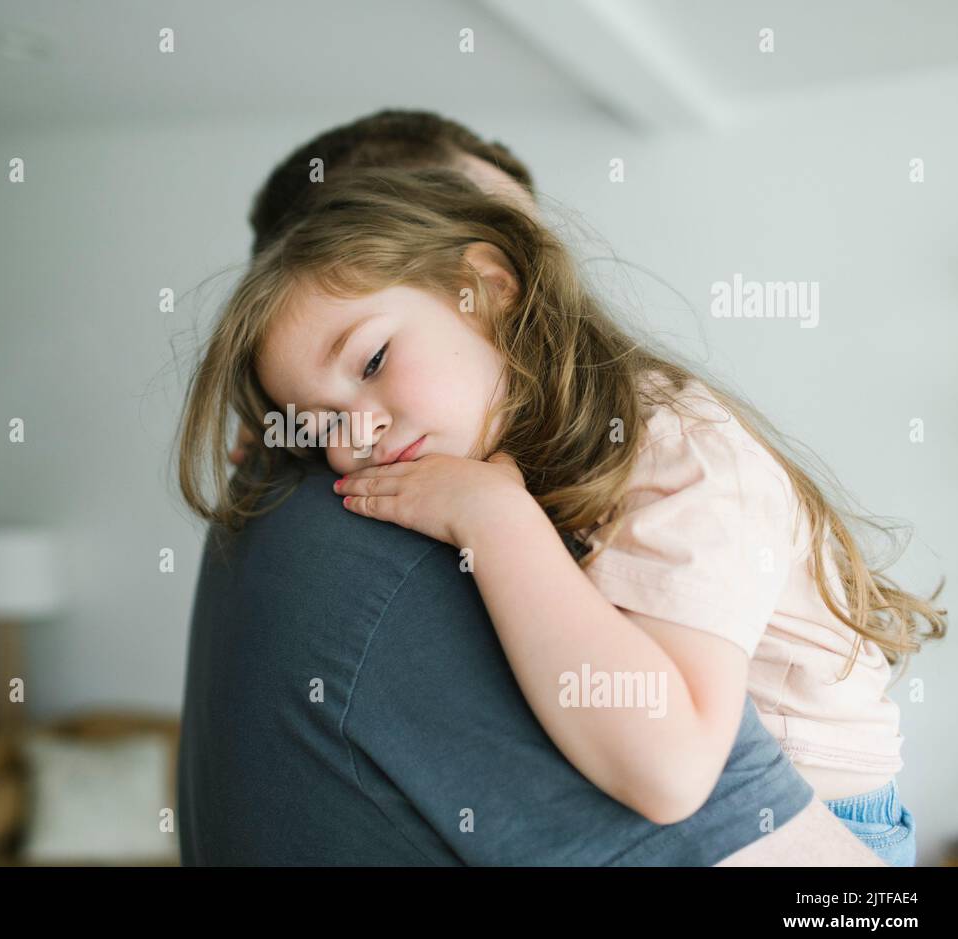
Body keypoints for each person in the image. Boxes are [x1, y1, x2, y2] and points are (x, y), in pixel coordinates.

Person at [175, 109, 893, 865]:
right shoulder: (468, 435)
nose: (354, 440)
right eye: (317, 428)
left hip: (841, 825)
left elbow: (670, 771)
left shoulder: (680, 450)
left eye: (375, 360)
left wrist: (496, 523)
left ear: (488, 285)